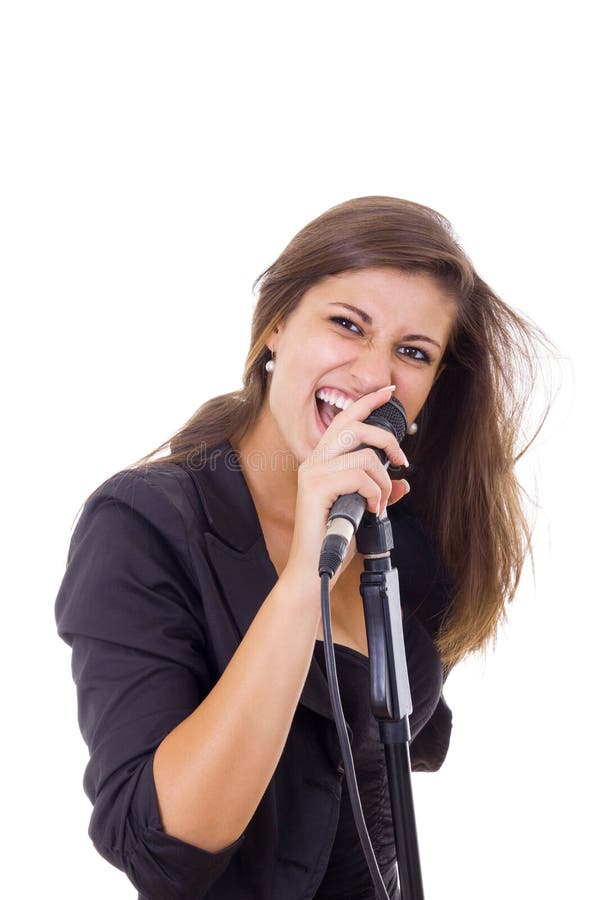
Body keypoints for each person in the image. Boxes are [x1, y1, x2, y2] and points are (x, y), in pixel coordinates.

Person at [55, 196, 544, 900]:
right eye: (348, 324)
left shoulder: (412, 527)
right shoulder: (141, 525)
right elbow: (166, 852)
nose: (374, 375)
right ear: (277, 324)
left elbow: (408, 748)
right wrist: (301, 582)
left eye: (413, 352)